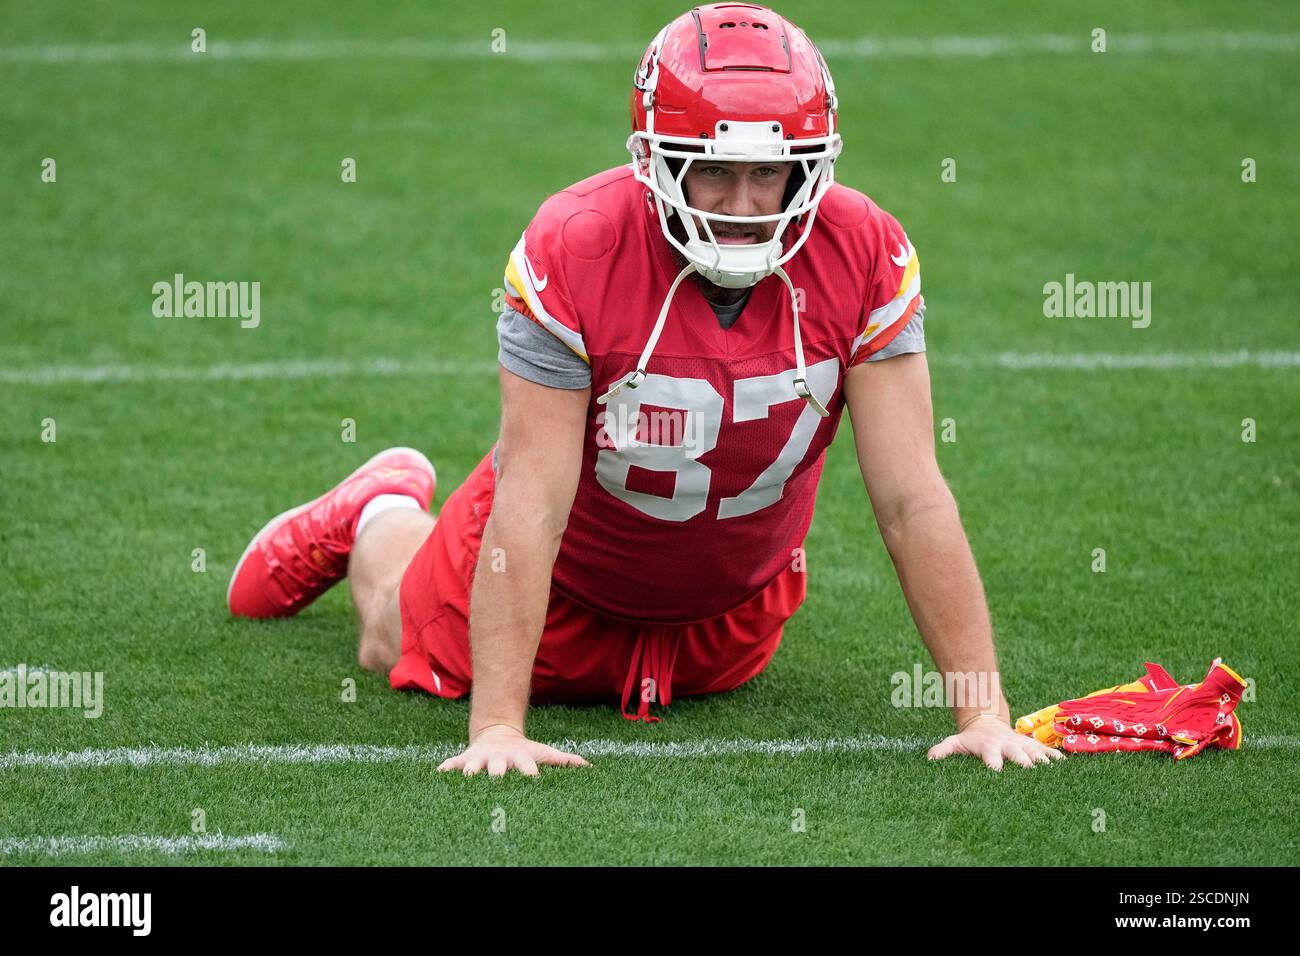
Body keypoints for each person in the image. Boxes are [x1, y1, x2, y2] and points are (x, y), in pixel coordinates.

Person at [228, 3, 1062, 778]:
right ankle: (378, 512)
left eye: (769, 175)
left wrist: (983, 711)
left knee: (706, 682)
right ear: (657, 159)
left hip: (727, 623)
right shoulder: (579, 243)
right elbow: (534, 497)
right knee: (388, 641)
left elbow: (912, 497)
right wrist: (498, 728)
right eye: (713, 172)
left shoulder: (861, 251)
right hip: (562, 588)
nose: (742, 205)